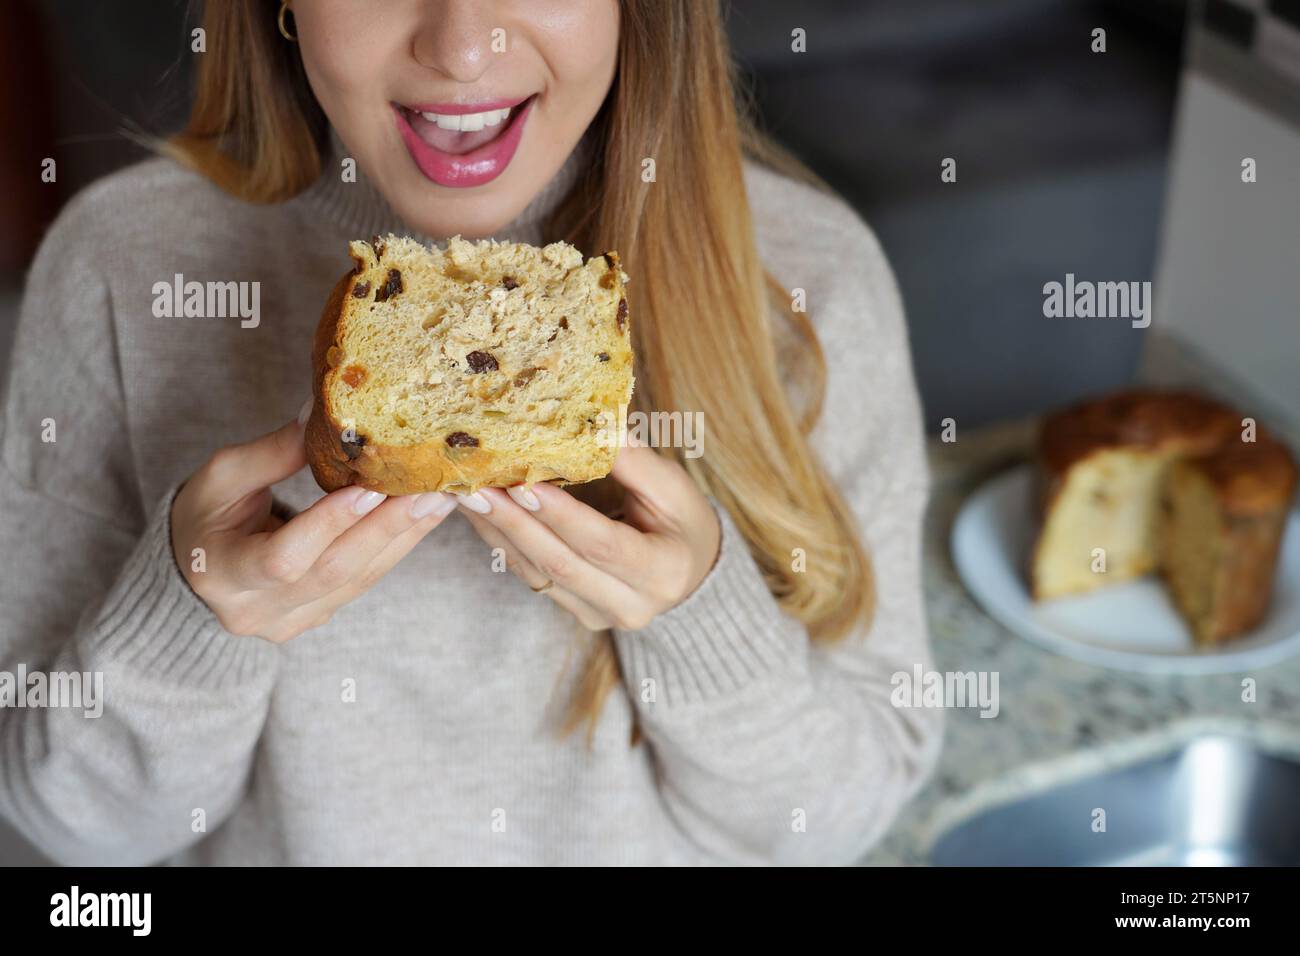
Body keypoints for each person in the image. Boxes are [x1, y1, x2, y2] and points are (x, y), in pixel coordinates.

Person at [0, 0, 940, 865]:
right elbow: (75, 828)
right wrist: (189, 618)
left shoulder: (810, 284)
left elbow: (840, 815)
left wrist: (700, 616)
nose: (460, 47)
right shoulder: (120, 265)